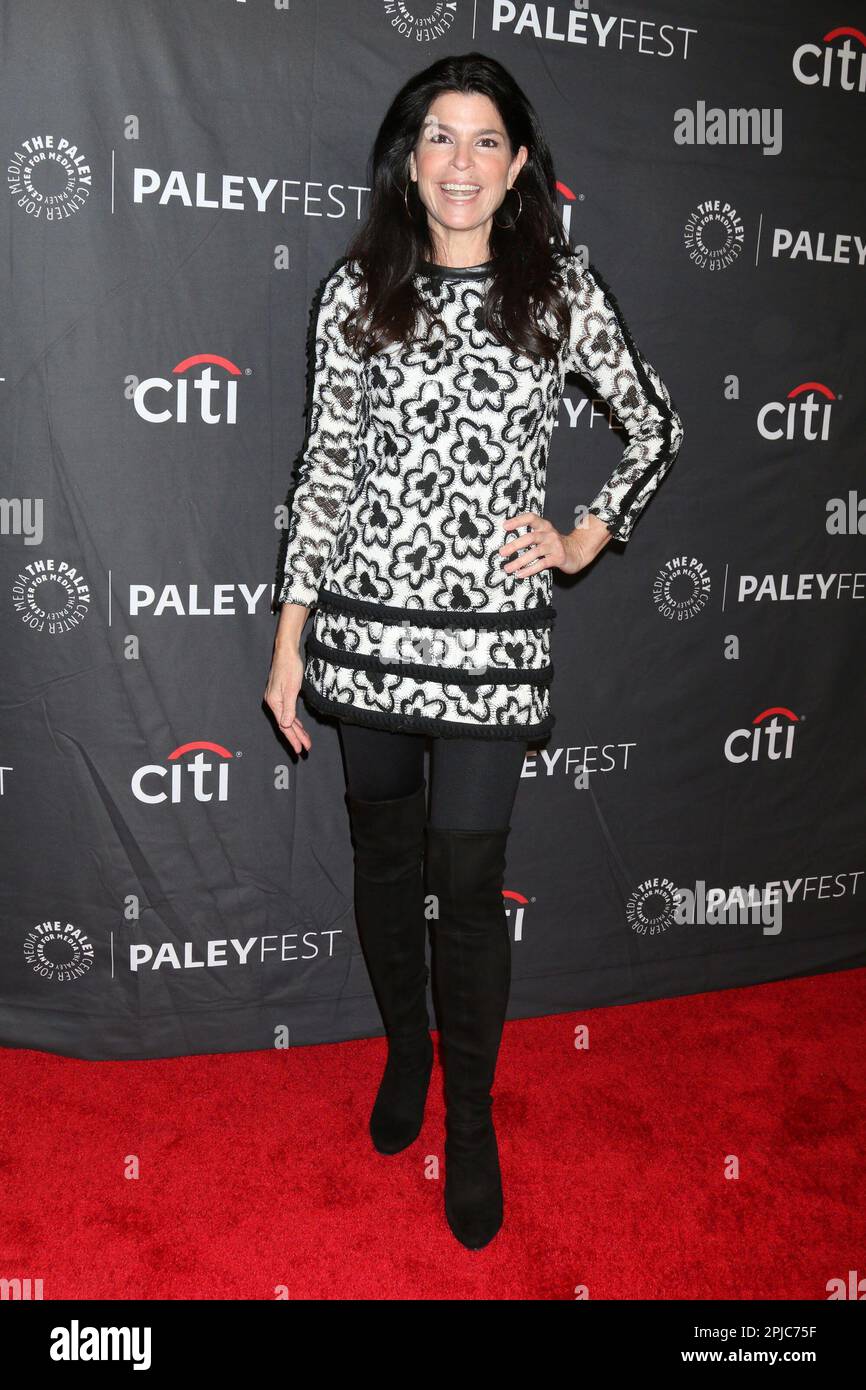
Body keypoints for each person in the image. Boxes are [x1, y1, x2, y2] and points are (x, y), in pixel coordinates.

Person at [264, 52, 685, 1251]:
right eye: (437, 137)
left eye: (484, 139)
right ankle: (405, 1050)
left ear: (517, 167)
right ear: (408, 159)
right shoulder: (353, 293)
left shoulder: (556, 291)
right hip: (364, 638)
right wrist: (289, 644)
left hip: (493, 649)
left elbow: (652, 424)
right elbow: (323, 474)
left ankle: (475, 1115)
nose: (459, 160)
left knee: (465, 884)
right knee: (385, 865)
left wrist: (582, 535)